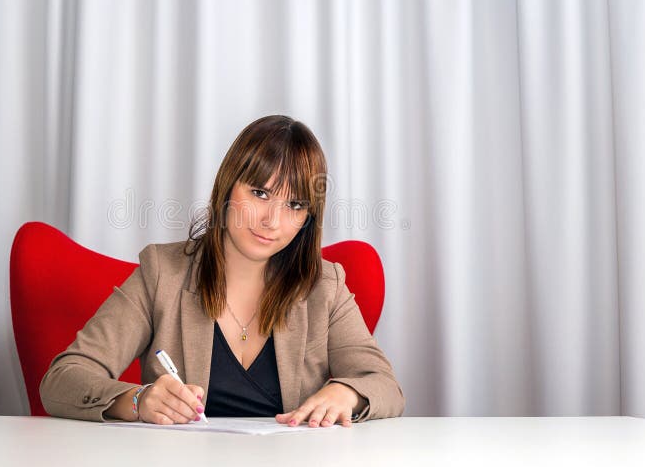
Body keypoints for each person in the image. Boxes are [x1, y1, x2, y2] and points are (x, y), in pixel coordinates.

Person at [40, 115, 405, 427]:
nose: (271, 221)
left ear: (307, 219)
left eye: (294, 204)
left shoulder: (325, 287)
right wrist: (137, 401)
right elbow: (61, 380)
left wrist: (346, 393)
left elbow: (384, 386)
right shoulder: (161, 273)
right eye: (260, 193)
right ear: (227, 187)